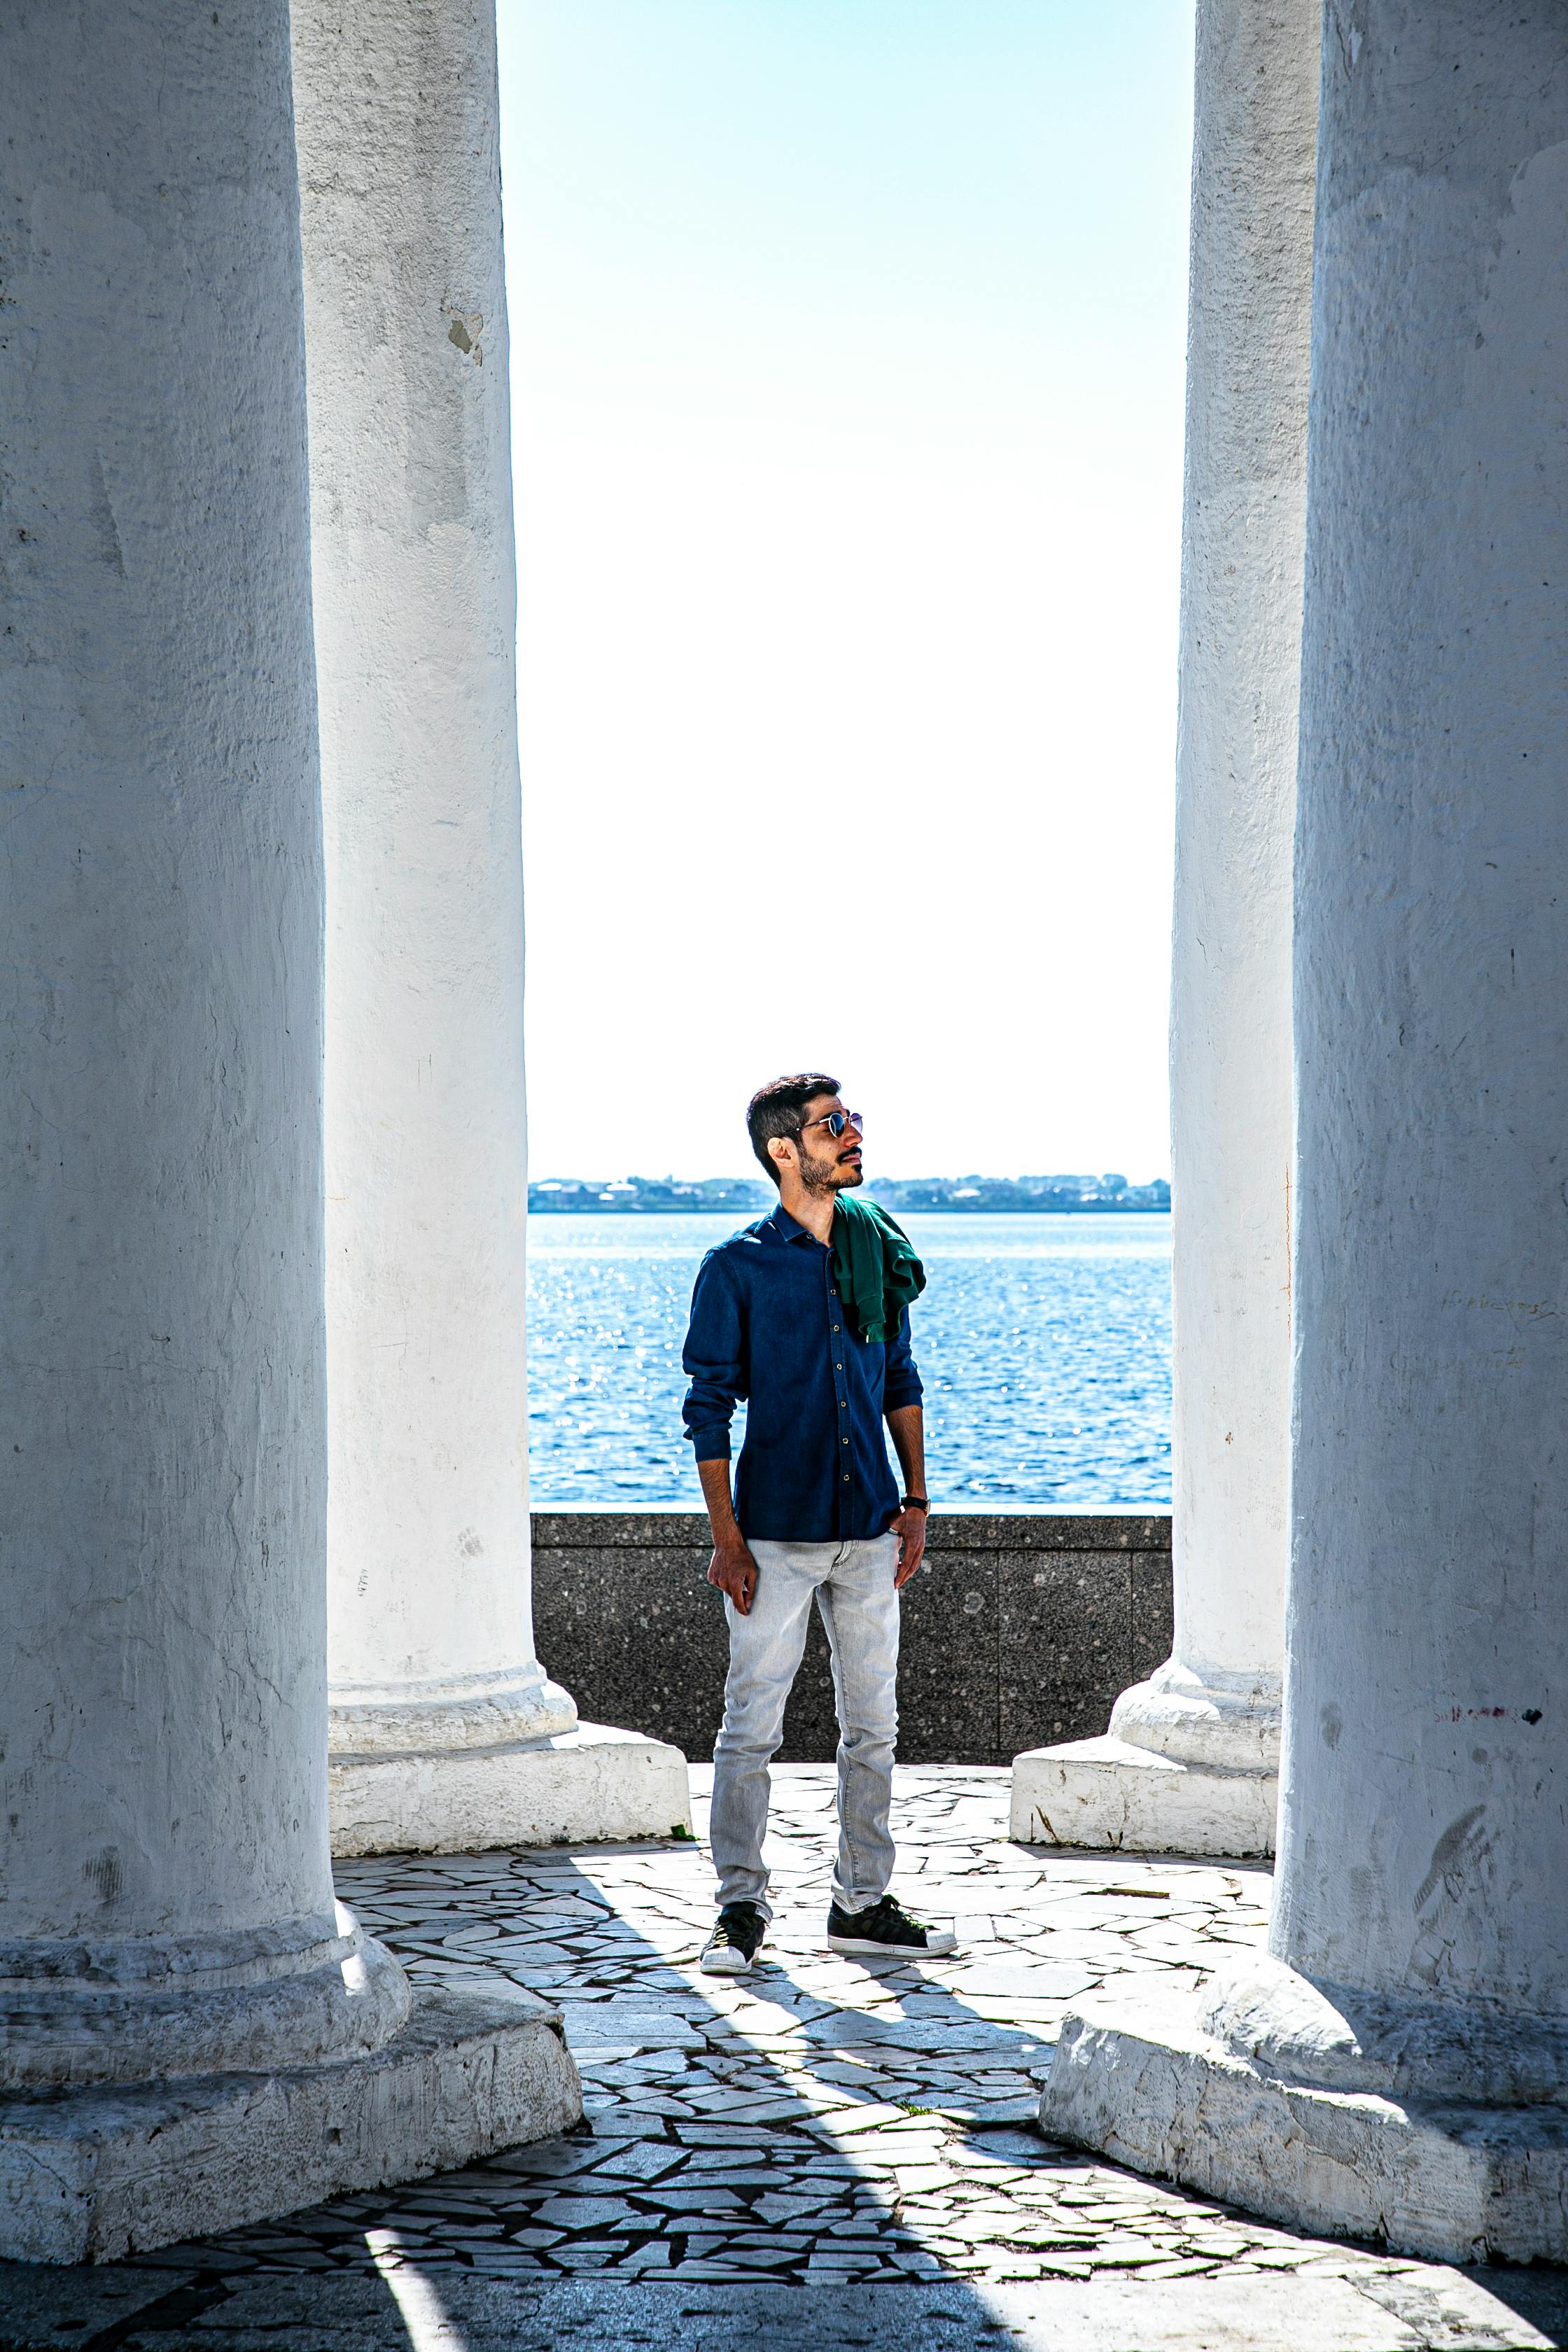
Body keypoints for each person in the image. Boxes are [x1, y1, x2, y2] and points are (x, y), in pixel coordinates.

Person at [681, 1072, 958, 1975]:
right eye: (833, 1125)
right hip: (772, 1534)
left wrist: (915, 1501)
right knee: (750, 1726)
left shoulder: (876, 1249)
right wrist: (726, 1538)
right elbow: (708, 1406)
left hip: (871, 1529)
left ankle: (862, 1903)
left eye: (854, 1120)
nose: (853, 1134)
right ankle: (739, 1908)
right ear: (783, 1150)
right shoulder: (738, 1267)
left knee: (872, 1724)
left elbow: (902, 1380)